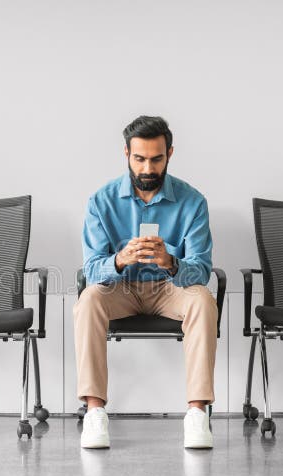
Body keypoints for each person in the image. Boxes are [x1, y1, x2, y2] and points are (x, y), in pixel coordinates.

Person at [74, 115, 218, 449]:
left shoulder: (193, 202)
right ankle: (94, 411)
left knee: (202, 299)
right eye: (139, 159)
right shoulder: (101, 201)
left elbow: (202, 269)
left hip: (171, 288)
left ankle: (198, 413)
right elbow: (91, 271)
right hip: (119, 288)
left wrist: (171, 262)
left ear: (170, 154)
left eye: (156, 159)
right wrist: (120, 259)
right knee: (88, 300)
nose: (147, 169)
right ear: (126, 154)